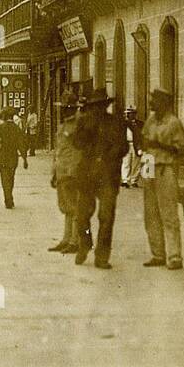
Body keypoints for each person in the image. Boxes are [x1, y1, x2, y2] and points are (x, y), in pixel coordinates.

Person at [72, 92, 127, 269]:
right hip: (87, 176)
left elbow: (124, 146)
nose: (97, 109)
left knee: (106, 216)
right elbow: (76, 143)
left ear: (105, 106)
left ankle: (102, 255)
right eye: (94, 106)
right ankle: (85, 242)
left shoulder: (115, 123)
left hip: (108, 176)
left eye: (100, 105)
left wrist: (110, 156)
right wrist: (86, 133)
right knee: (82, 216)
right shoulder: (84, 122)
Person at [141, 88, 184, 270]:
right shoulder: (151, 120)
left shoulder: (173, 123)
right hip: (149, 164)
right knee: (150, 212)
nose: (151, 102)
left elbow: (180, 150)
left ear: (164, 103)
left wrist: (158, 145)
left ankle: (174, 256)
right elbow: (144, 141)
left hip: (165, 168)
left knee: (168, 213)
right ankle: (158, 254)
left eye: (154, 100)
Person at [48, 99, 83, 253]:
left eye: (66, 108)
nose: (63, 111)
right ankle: (66, 238)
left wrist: (73, 171)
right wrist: (54, 172)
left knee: (74, 207)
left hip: (72, 172)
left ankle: (76, 241)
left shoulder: (78, 127)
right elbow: (58, 152)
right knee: (66, 207)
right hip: (61, 171)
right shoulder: (62, 127)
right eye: (62, 108)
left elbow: (79, 151)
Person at [0, 108, 26, 209]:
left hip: (2, 157)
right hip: (13, 157)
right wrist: (24, 158)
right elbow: (21, 143)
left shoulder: (0, 128)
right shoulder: (16, 129)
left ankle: (8, 199)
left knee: (4, 179)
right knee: (11, 178)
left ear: (4, 116)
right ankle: (9, 197)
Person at [121, 106, 144, 187]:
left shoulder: (140, 124)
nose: (130, 115)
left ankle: (134, 180)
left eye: (132, 113)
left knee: (136, 163)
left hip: (136, 145)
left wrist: (140, 147)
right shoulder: (123, 123)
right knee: (126, 162)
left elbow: (142, 136)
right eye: (129, 113)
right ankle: (125, 180)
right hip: (126, 144)